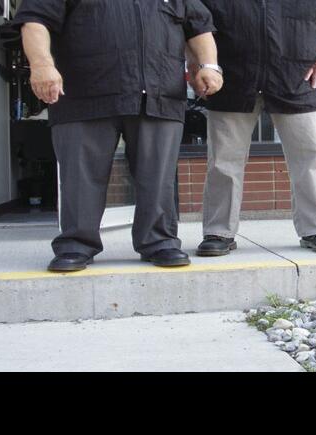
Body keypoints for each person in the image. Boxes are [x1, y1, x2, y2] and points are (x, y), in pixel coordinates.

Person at [13, 0, 223, 272]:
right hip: (85, 95)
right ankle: (76, 245)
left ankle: (159, 242)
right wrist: (41, 65)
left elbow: (199, 27)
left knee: (158, 177)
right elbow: (35, 20)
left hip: (159, 94)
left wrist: (209, 65)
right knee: (81, 177)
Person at [190, 0, 316, 257]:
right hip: (231, 83)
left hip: (297, 82)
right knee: (223, 163)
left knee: (308, 160)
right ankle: (219, 232)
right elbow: (195, 29)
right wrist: (197, 66)